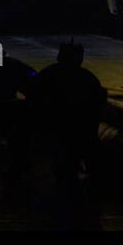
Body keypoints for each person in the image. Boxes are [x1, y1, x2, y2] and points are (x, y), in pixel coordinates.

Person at [27, 41, 107, 184]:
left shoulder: (47, 74)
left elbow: (33, 98)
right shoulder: (88, 78)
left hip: (53, 127)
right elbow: (99, 104)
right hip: (79, 129)